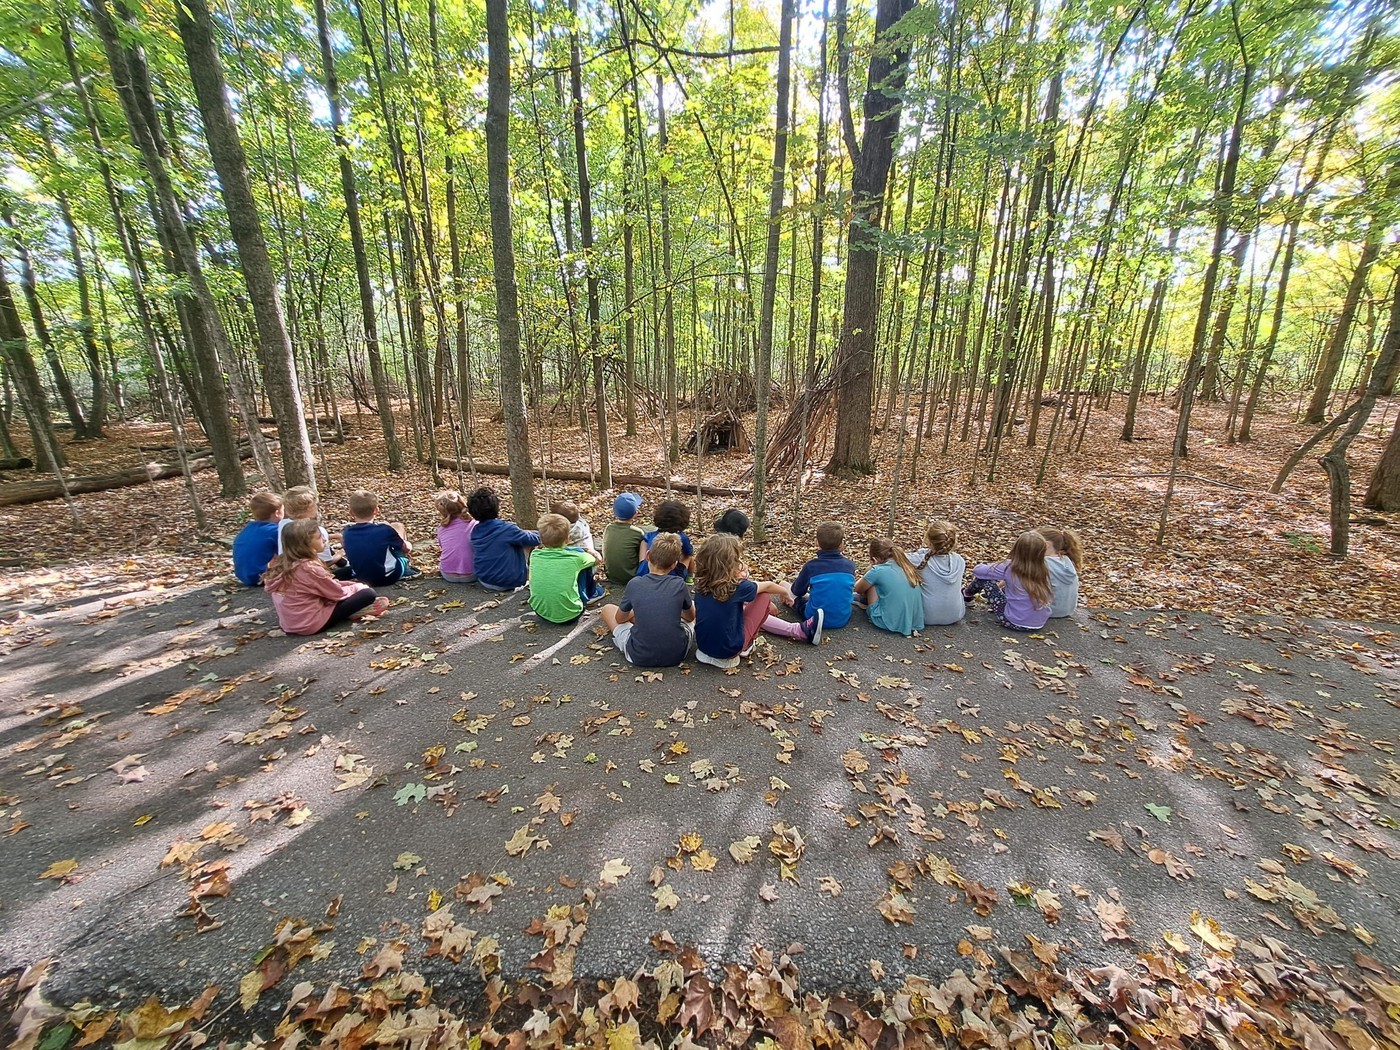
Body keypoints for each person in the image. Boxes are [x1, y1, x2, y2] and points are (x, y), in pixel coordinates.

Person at [692, 534, 821, 668]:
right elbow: (768, 586)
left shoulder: (701, 585)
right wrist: (786, 594)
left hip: (703, 647)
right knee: (763, 596)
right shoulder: (737, 587)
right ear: (730, 564)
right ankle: (746, 645)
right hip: (729, 651)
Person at [263, 518, 388, 634]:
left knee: (345, 572)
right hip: (310, 623)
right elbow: (338, 593)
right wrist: (358, 587)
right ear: (306, 544)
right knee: (368, 593)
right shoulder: (309, 568)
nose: (324, 539)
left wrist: (348, 584)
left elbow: (323, 584)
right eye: (318, 537)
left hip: (290, 623)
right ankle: (352, 612)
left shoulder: (283, 562)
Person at [599, 533, 694, 667]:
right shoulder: (680, 584)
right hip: (677, 654)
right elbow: (690, 617)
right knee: (692, 606)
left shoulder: (635, 583)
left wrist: (636, 611)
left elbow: (620, 619)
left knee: (607, 609)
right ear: (674, 565)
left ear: (648, 555)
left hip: (638, 655)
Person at [963, 531, 1053, 632]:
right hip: (1039, 623)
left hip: (1013, 621)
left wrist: (994, 566)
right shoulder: (1044, 567)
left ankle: (967, 595)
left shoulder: (1010, 567)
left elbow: (978, 571)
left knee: (986, 581)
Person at [528, 513, 603, 624]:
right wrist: (588, 550)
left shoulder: (534, 554)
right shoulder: (577, 557)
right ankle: (591, 594)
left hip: (540, 612)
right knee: (584, 566)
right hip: (572, 614)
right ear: (567, 539)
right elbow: (598, 560)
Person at [341, 489, 419, 586]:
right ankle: (405, 568)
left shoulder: (347, 532)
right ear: (376, 510)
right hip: (387, 577)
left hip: (361, 577)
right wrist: (409, 545)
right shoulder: (384, 530)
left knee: (393, 529)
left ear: (351, 512)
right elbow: (406, 548)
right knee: (398, 527)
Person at [468, 486, 539, 591]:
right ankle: (529, 576)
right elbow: (534, 539)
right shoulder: (507, 529)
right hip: (511, 582)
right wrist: (539, 532)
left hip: (484, 580)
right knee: (527, 541)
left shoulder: (475, 531)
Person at [789, 522, 857, 629]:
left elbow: (797, 591)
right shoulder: (850, 566)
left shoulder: (811, 566)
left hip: (814, 618)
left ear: (817, 542)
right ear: (842, 544)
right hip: (842, 619)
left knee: (785, 586)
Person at [855, 538, 925, 637]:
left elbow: (857, 588)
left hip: (887, 622)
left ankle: (869, 607)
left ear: (875, 559)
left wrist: (870, 569)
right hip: (914, 621)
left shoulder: (877, 570)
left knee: (872, 584)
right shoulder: (907, 566)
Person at [278, 485, 352, 579]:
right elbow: (325, 563)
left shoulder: (283, 524)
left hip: (288, 571)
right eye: (316, 505)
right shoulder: (317, 530)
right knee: (352, 570)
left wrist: (334, 536)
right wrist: (340, 554)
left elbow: (299, 537)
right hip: (309, 575)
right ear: (310, 507)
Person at [909, 520, 967, 625]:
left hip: (926, 616)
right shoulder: (960, 560)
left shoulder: (919, 560)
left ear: (928, 541)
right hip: (956, 615)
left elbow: (898, 557)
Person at [552, 500, 604, 604]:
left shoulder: (557, 532)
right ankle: (590, 592)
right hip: (585, 562)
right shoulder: (582, 526)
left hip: (569, 564)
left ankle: (589, 593)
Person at [232, 491, 283, 586]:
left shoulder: (248, 528)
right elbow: (285, 552)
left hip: (242, 575)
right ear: (277, 513)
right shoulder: (276, 531)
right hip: (261, 577)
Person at [636, 499, 694, 579]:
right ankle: (690, 578)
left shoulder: (652, 535)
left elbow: (646, 539)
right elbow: (689, 552)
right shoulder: (682, 537)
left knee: (644, 541)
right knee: (689, 556)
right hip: (671, 576)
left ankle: (642, 565)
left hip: (645, 573)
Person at [1037, 527, 1083, 618]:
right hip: (1068, 610)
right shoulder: (1067, 560)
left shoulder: (1042, 563)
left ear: (1046, 545)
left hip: (1049, 610)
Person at [602, 492, 646, 586]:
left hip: (611, 576)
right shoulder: (637, 533)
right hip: (632, 578)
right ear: (635, 514)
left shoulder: (608, 528)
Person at [436, 490, 476, 584]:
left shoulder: (441, 528)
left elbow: (443, 547)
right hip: (473, 574)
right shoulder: (474, 524)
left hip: (448, 574)